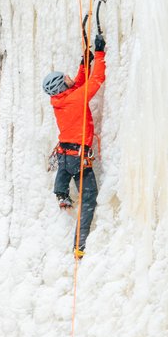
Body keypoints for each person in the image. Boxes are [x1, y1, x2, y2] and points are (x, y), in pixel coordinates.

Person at [42, 31, 106, 255]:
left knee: (66, 175)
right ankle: (79, 245)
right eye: (66, 77)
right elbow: (95, 81)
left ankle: (61, 193)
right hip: (77, 159)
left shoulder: (60, 100)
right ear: (61, 85)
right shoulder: (74, 99)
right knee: (89, 199)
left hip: (67, 156)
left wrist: (83, 64)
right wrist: (98, 54)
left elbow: (79, 84)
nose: (70, 77)